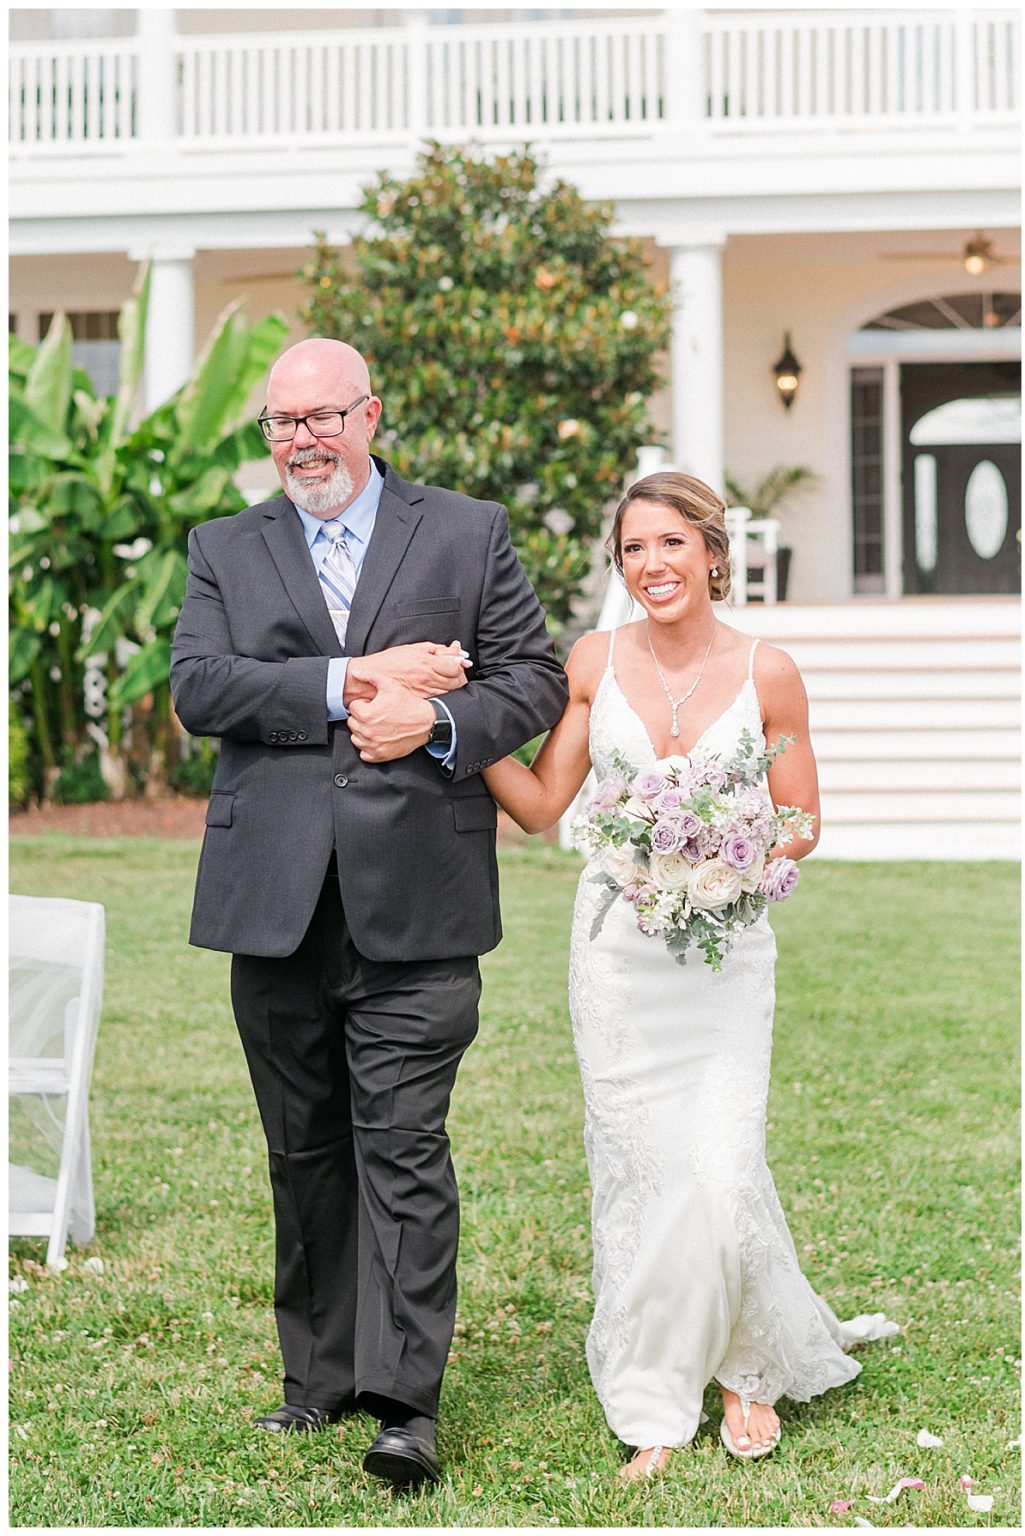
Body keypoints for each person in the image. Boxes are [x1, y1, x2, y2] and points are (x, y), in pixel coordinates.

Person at [169, 338, 568, 1488]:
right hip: (273, 906)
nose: (300, 440)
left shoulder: (465, 530)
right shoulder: (224, 547)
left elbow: (530, 677)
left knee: (401, 1150)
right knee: (301, 1152)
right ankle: (317, 1380)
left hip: (420, 902)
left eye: (320, 417)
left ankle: (404, 1404)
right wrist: (357, 684)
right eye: (280, 424)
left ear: (370, 414)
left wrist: (434, 727)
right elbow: (202, 684)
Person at [482, 471, 896, 1480]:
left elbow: (801, 815)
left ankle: (747, 1369)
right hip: (617, 958)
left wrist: (731, 848)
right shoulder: (593, 660)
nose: (651, 567)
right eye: (632, 551)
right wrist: (456, 734)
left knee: (717, 1165)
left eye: (669, 545)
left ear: (712, 553)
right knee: (640, 1175)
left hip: (724, 956)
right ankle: (652, 1397)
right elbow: (542, 806)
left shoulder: (771, 673)